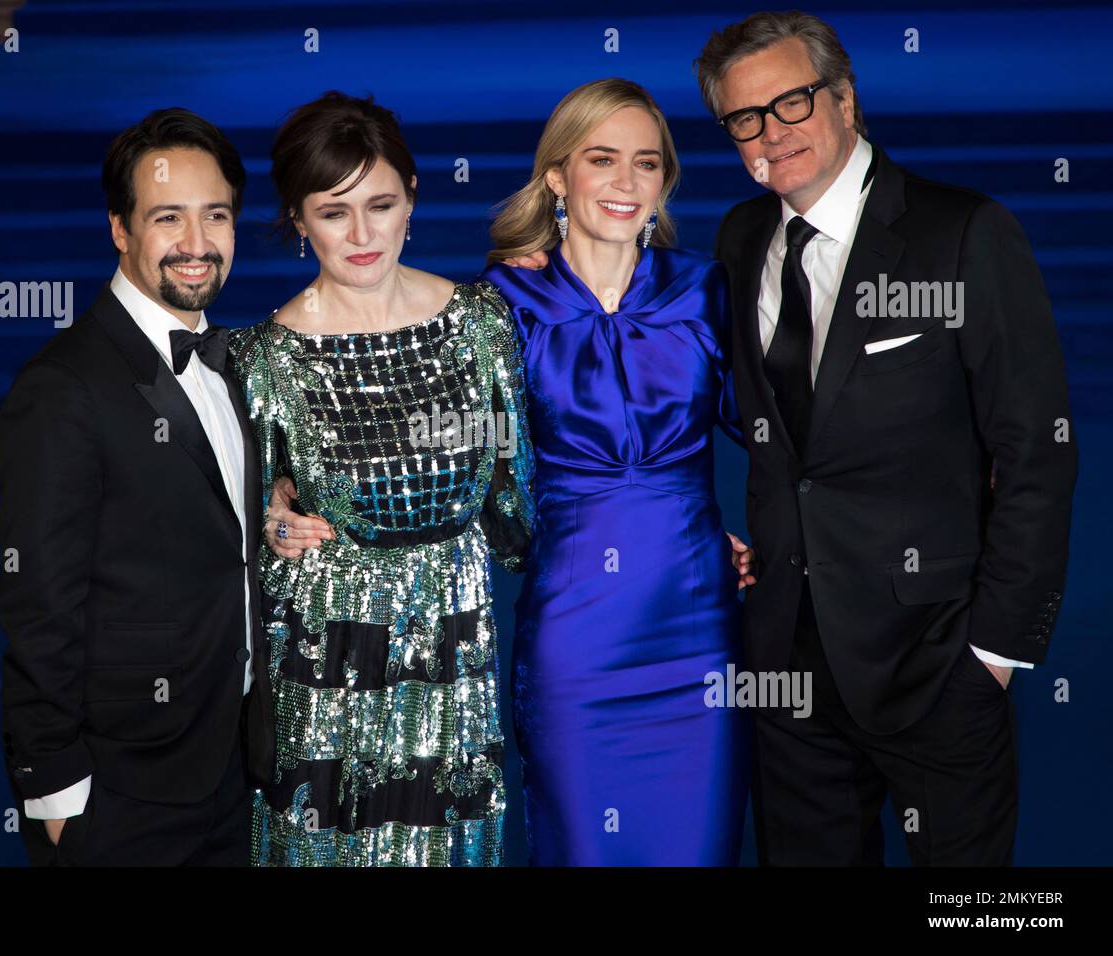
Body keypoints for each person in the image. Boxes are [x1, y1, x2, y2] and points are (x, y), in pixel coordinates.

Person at [267, 80, 757, 866]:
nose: (627, 183)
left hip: (696, 632)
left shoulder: (705, 289)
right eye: (602, 159)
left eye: (646, 163)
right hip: (576, 638)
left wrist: (771, 538)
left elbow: (781, 432)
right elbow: (405, 440)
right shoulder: (504, 303)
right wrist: (283, 494)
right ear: (558, 175)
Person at [695, 11, 1077, 864]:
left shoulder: (963, 233)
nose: (771, 133)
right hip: (787, 668)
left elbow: (1037, 453)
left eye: (791, 103)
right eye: (745, 118)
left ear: (844, 99)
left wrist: (994, 653)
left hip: (935, 659)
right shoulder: (740, 237)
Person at [227, 91, 534, 866]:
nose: (362, 234)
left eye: (381, 204)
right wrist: (267, 522)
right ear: (299, 220)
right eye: (334, 212)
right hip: (326, 674)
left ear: (412, 200)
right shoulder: (262, 359)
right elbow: (234, 525)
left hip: (452, 671)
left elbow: (519, 503)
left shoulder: (482, 325)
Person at [0, 108, 273, 866]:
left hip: (233, 765)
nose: (195, 243)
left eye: (215, 215)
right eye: (167, 218)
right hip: (122, 791)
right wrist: (57, 795)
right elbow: (39, 601)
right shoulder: (62, 388)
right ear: (120, 230)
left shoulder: (234, 362)